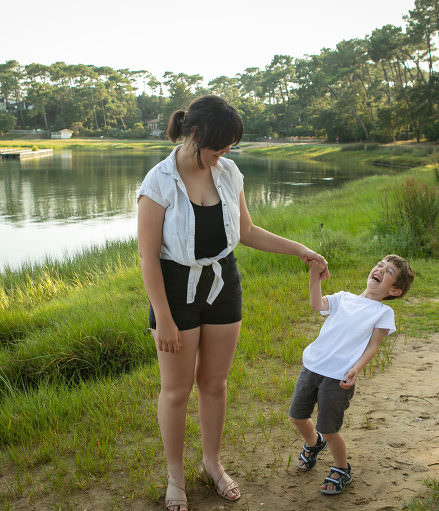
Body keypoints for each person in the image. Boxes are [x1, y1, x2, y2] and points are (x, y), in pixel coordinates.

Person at [136, 95, 329, 511]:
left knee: (214, 384)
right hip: (175, 291)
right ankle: (175, 477)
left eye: (229, 148)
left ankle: (212, 464)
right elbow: (147, 257)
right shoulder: (158, 182)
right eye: (219, 146)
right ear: (196, 135)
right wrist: (165, 319)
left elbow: (247, 231)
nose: (225, 154)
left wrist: (301, 250)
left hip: (224, 283)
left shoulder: (228, 173)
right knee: (175, 390)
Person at [289, 255, 414, 495]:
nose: (379, 269)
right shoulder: (343, 298)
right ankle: (313, 444)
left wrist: (356, 368)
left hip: (339, 376)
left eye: (388, 271)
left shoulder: (382, 312)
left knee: (329, 427)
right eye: (379, 264)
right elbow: (317, 304)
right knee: (296, 416)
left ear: (395, 290)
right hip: (313, 366)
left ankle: (341, 468)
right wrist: (314, 277)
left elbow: (373, 346)